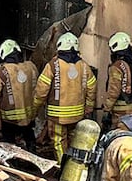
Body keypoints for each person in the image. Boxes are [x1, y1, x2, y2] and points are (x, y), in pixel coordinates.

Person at [32, 32, 96, 161]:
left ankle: (62, 167)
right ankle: (74, 165)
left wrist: (35, 107)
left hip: (57, 116)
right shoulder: (84, 66)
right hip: (78, 114)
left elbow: (41, 90)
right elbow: (92, 86)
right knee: (74, 140)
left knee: (58, 141)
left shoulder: (52, 65)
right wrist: (89, 107)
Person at [0, 39, 38, 150]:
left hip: (10, 116)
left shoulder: (3, 70)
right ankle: (32, 152)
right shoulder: (31, 66)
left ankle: (12, 161)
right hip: (29, 114)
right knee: (29, 134)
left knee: (9, 139)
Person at [101, 31, 132, 128]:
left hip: (121, 112)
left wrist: (106, 109)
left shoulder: (117, 67)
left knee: (121, 137)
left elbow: (113, 91)